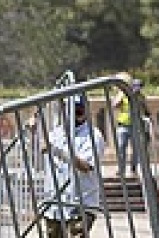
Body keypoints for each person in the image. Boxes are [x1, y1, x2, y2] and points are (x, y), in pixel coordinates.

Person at [42, 93, 107, 237]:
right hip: (55, 203)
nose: (77, 114)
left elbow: (86, 166)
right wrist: (32, 133)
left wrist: (59, 152)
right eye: (73, 110)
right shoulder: (55, 133)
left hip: (82, 203)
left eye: (80, 110)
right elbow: (39, 155)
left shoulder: (93, 135)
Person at [111, 72, 147, 178]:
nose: (136, 90)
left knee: (136, 149)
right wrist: (122, 94)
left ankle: (133, 169)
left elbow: (145, 109)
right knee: (121, 148)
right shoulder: (124, 96)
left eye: (138, 87)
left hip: (135, 126)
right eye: (135, 87)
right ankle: (121, 170)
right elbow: (114, 105)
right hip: (123, 125)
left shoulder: (140, 97)